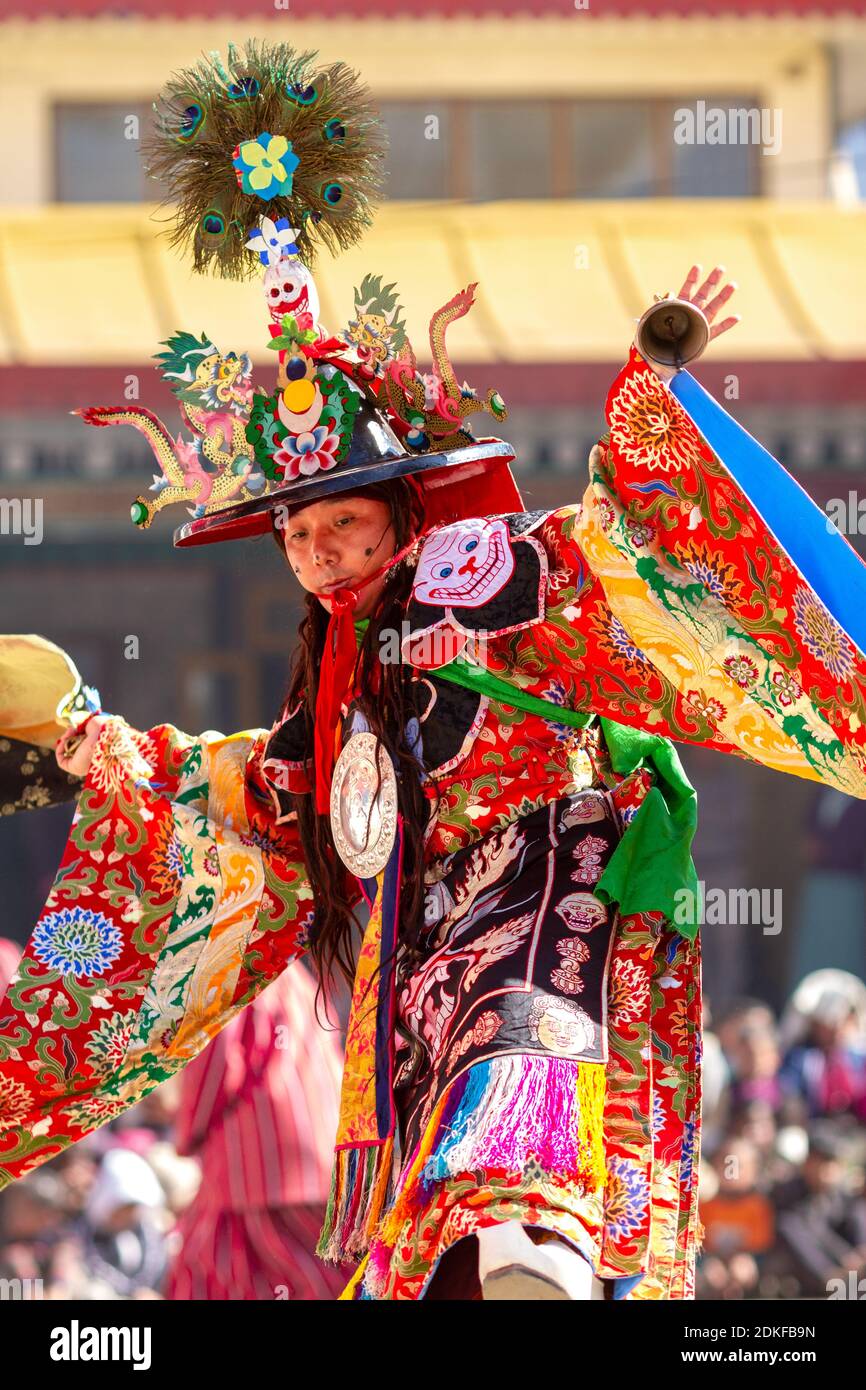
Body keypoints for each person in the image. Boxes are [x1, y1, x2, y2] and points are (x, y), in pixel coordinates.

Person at [3, 41, 866, 1302]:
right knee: (430, 1229)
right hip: (412, 956)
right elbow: (259, 803)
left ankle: (534, 1246)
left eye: (339, 519)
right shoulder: (330, 681)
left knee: (513, 1087)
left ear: (403, 509)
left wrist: (652, 390)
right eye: (293, 534)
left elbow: (613, 556)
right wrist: (99, 746)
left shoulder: (472, 572)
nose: (314, 550)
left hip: (538, 888)